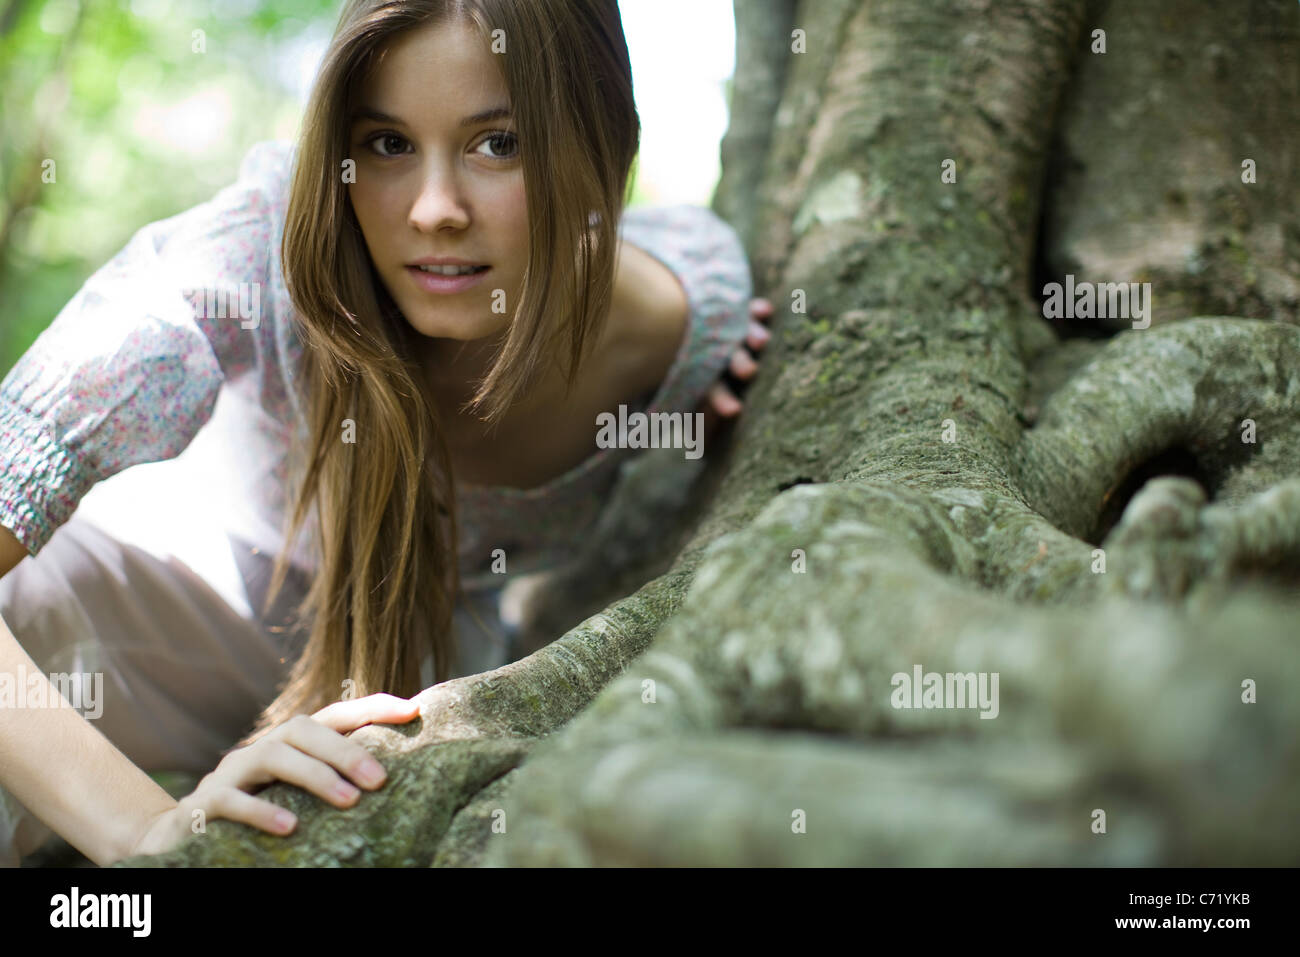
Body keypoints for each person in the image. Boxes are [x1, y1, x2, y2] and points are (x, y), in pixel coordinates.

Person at [0, 0, 770, 867]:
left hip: (407, 719)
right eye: (389, 144)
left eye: (498, 142)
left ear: (607, 153)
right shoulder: (244, 265)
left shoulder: (686, 323)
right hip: (58, 683)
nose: (435, 210)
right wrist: (142, 829)